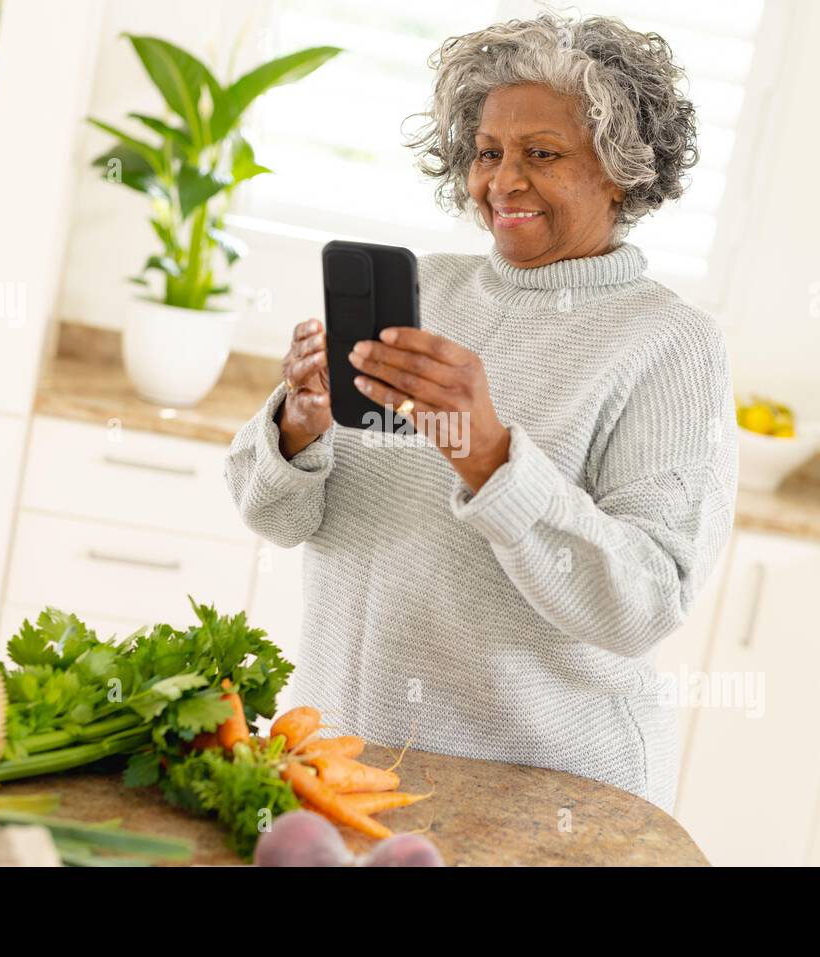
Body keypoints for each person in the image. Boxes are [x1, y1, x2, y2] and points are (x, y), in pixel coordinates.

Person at [223, 12, 738, 811]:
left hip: (541, 791)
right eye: (489, 152)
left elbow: (643, 604)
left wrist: (491, 459)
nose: (503, 181)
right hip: (345, 768)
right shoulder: (427, 289)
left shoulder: (669, 344)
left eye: (542, 153)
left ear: (621, 171)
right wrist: (297, 429)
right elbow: (277, 516)